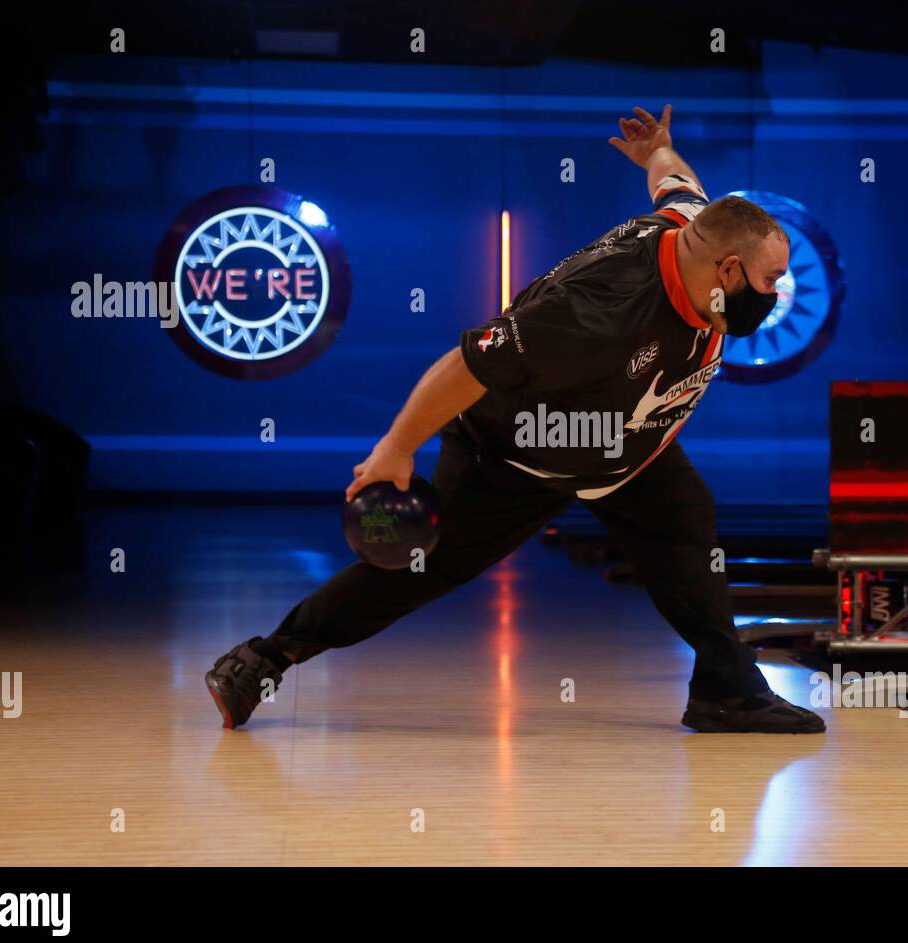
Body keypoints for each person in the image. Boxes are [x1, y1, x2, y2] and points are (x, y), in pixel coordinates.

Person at [206, 105, 825, 734]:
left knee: (687, 524)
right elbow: (465, 364)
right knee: (420, 570)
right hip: (512, 454)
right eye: (772, 279)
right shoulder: (598, 309)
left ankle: (728, 693)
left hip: (625, 451)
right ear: (726, 271)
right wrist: (396, 448)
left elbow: (674, 179)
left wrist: (655, 152)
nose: (775, 294)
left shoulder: (696, 223)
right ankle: (264, 657)